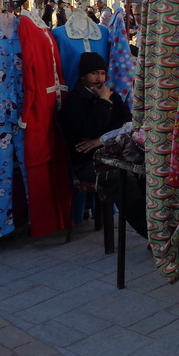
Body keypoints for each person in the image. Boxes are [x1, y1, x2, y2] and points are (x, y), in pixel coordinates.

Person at [58, 52, 147, 237]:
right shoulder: (73, 102)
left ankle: (158, 225)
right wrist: (104, 102)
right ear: (83, 76)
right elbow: (90, 129)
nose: (99, 78)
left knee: (146, 173)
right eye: (94, 73)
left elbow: (129, 124)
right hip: (88, 163)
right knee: (123, 179)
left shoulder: (111, 96)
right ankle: (150, 233)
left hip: (116, 155)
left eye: (102, 73)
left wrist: (101, 138)